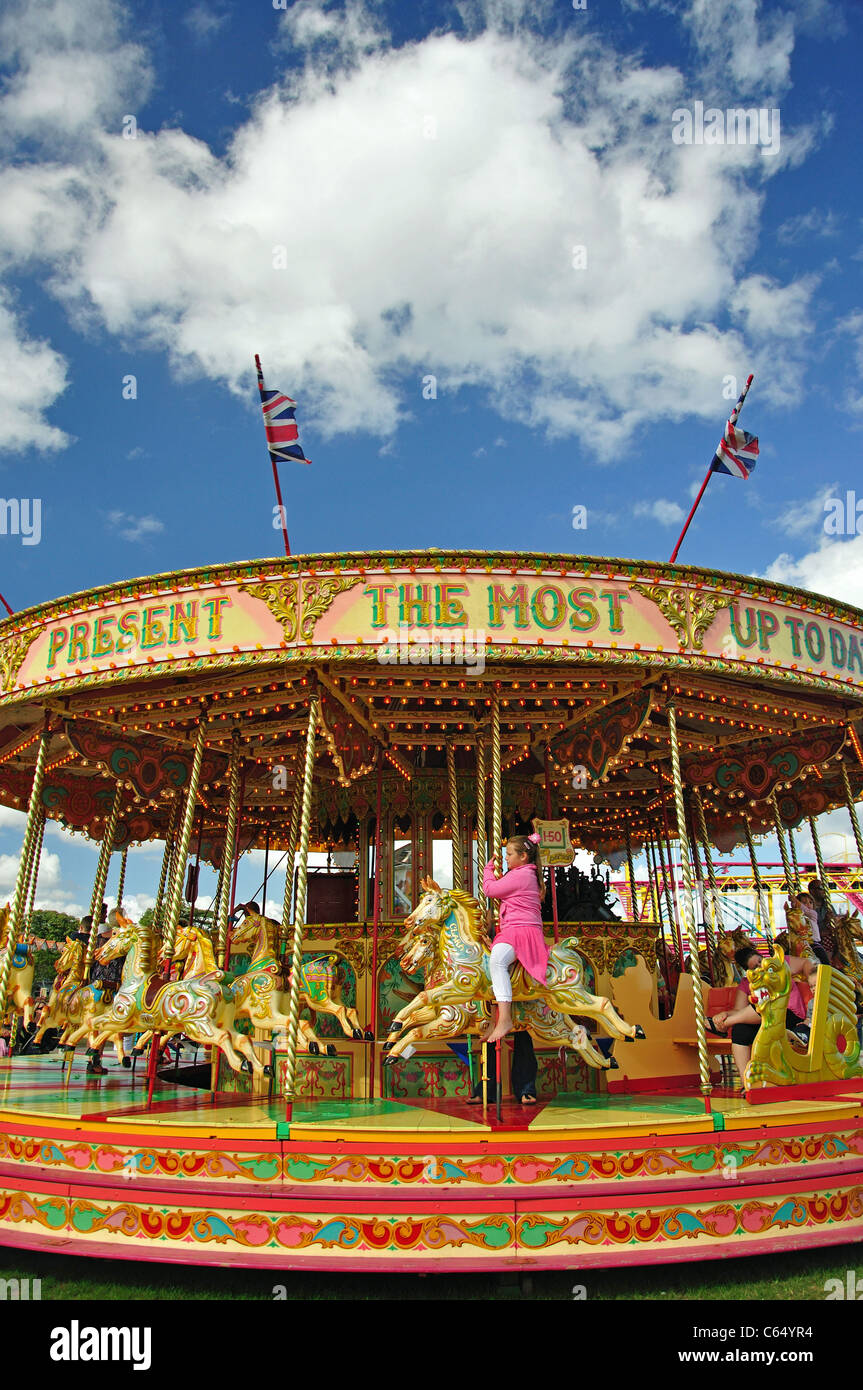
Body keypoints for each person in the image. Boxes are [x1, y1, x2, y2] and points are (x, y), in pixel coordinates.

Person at [711, 946, 818, 1092]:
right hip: (765, 1019)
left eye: (760, 961)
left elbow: (806, 963)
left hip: (790, 1015)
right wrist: (725, 1014)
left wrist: (813, 982)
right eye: (755, 967)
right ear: (748, 971)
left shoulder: (780, 964)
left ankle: (723, 1026)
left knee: (764, 1008)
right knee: (740, 1031)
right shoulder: (748, 982)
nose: (761, 966)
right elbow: (739, 1010)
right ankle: (746, 1083)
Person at [481, 833, 549, 1044]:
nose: (506, 858)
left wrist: (488, 870)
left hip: (521, 931)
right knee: (491, 965)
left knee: (498, 961)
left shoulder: (521, 875)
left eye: (509, 854)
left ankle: (506, 1019)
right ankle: (495, 1018)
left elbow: (490, 890)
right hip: (516, 929)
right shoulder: (525, 873)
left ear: (523, 856)